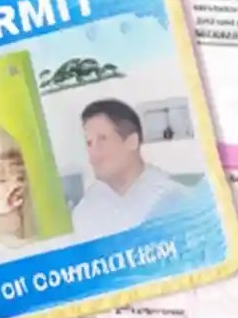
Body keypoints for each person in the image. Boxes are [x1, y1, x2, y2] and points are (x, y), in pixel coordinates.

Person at [70, 99, 183, 236]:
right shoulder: (86, 209)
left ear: (132, 142)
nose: (93, 153)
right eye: (89, 143)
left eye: (103, 139)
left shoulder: (172, 199)